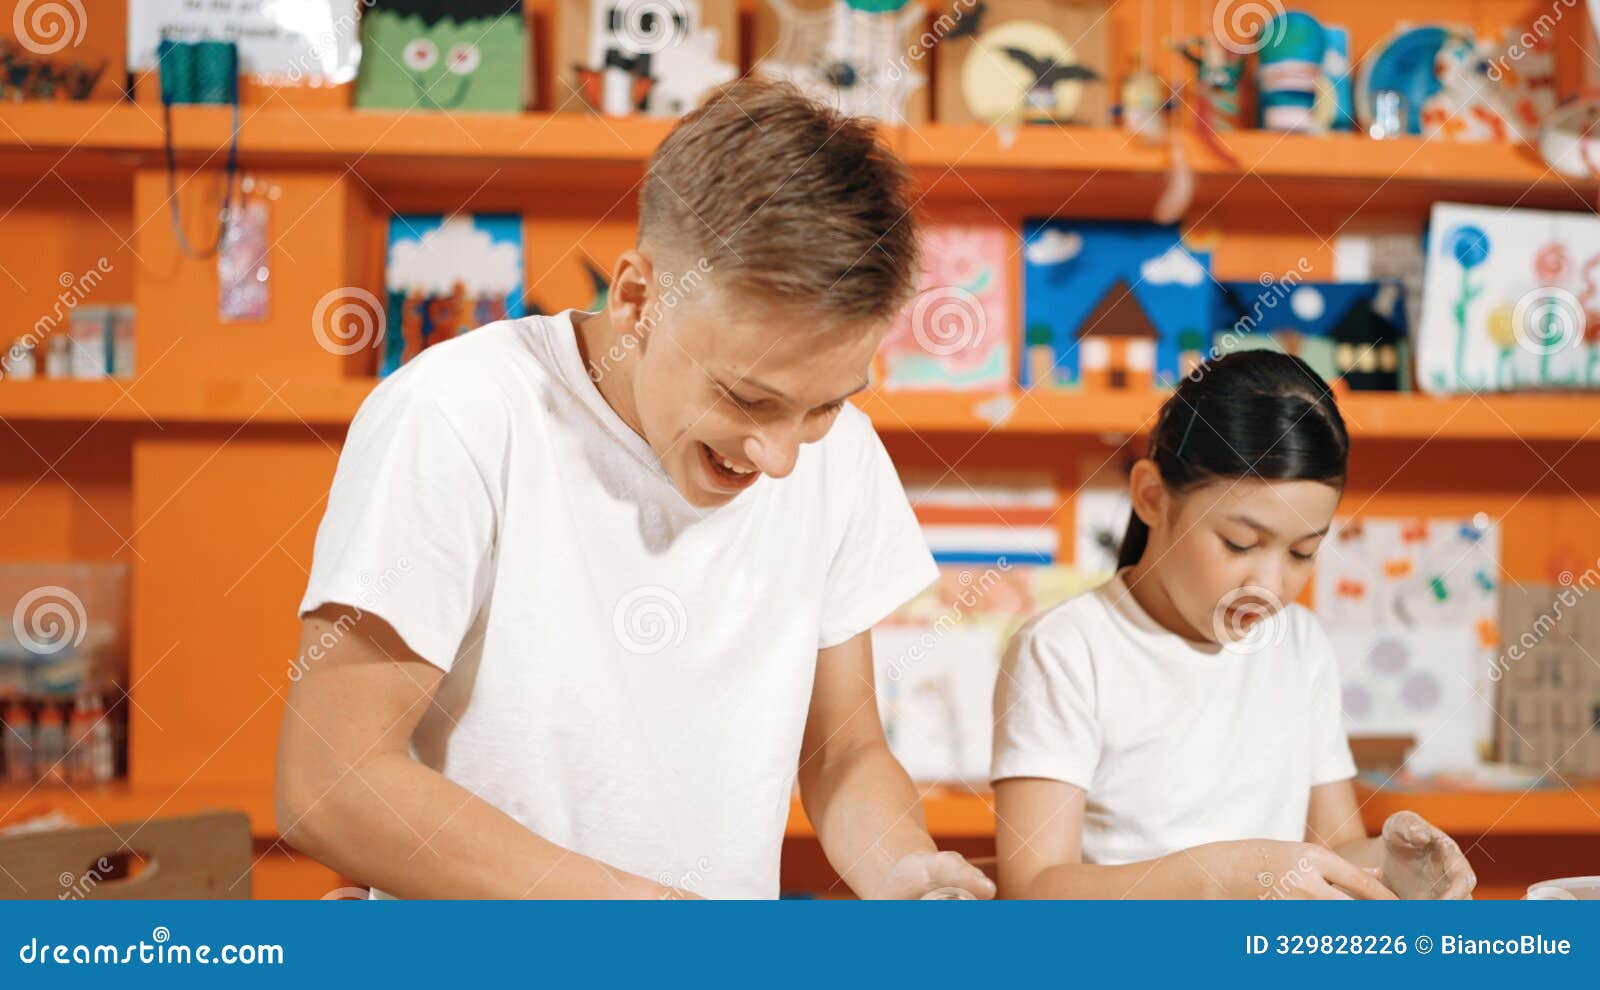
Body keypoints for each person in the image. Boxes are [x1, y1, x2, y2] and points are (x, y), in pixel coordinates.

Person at [275, 78, 994, 901]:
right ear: (637, 298)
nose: (783, 455)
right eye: (747, 399)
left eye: (827, 403)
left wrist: (900, 867)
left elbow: (844, 751)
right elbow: (330, 783)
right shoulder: (457, 416)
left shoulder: (842, 455)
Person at [992, 351, 1476, 900]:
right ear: (1152, 497)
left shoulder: (1300, 643)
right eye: (1240, 543)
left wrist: (1390, 862)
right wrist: (1214, 878)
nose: (1268, 585)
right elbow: (1032, 891)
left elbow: (1334, 853)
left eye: (1301, 552)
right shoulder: (1066, 651)